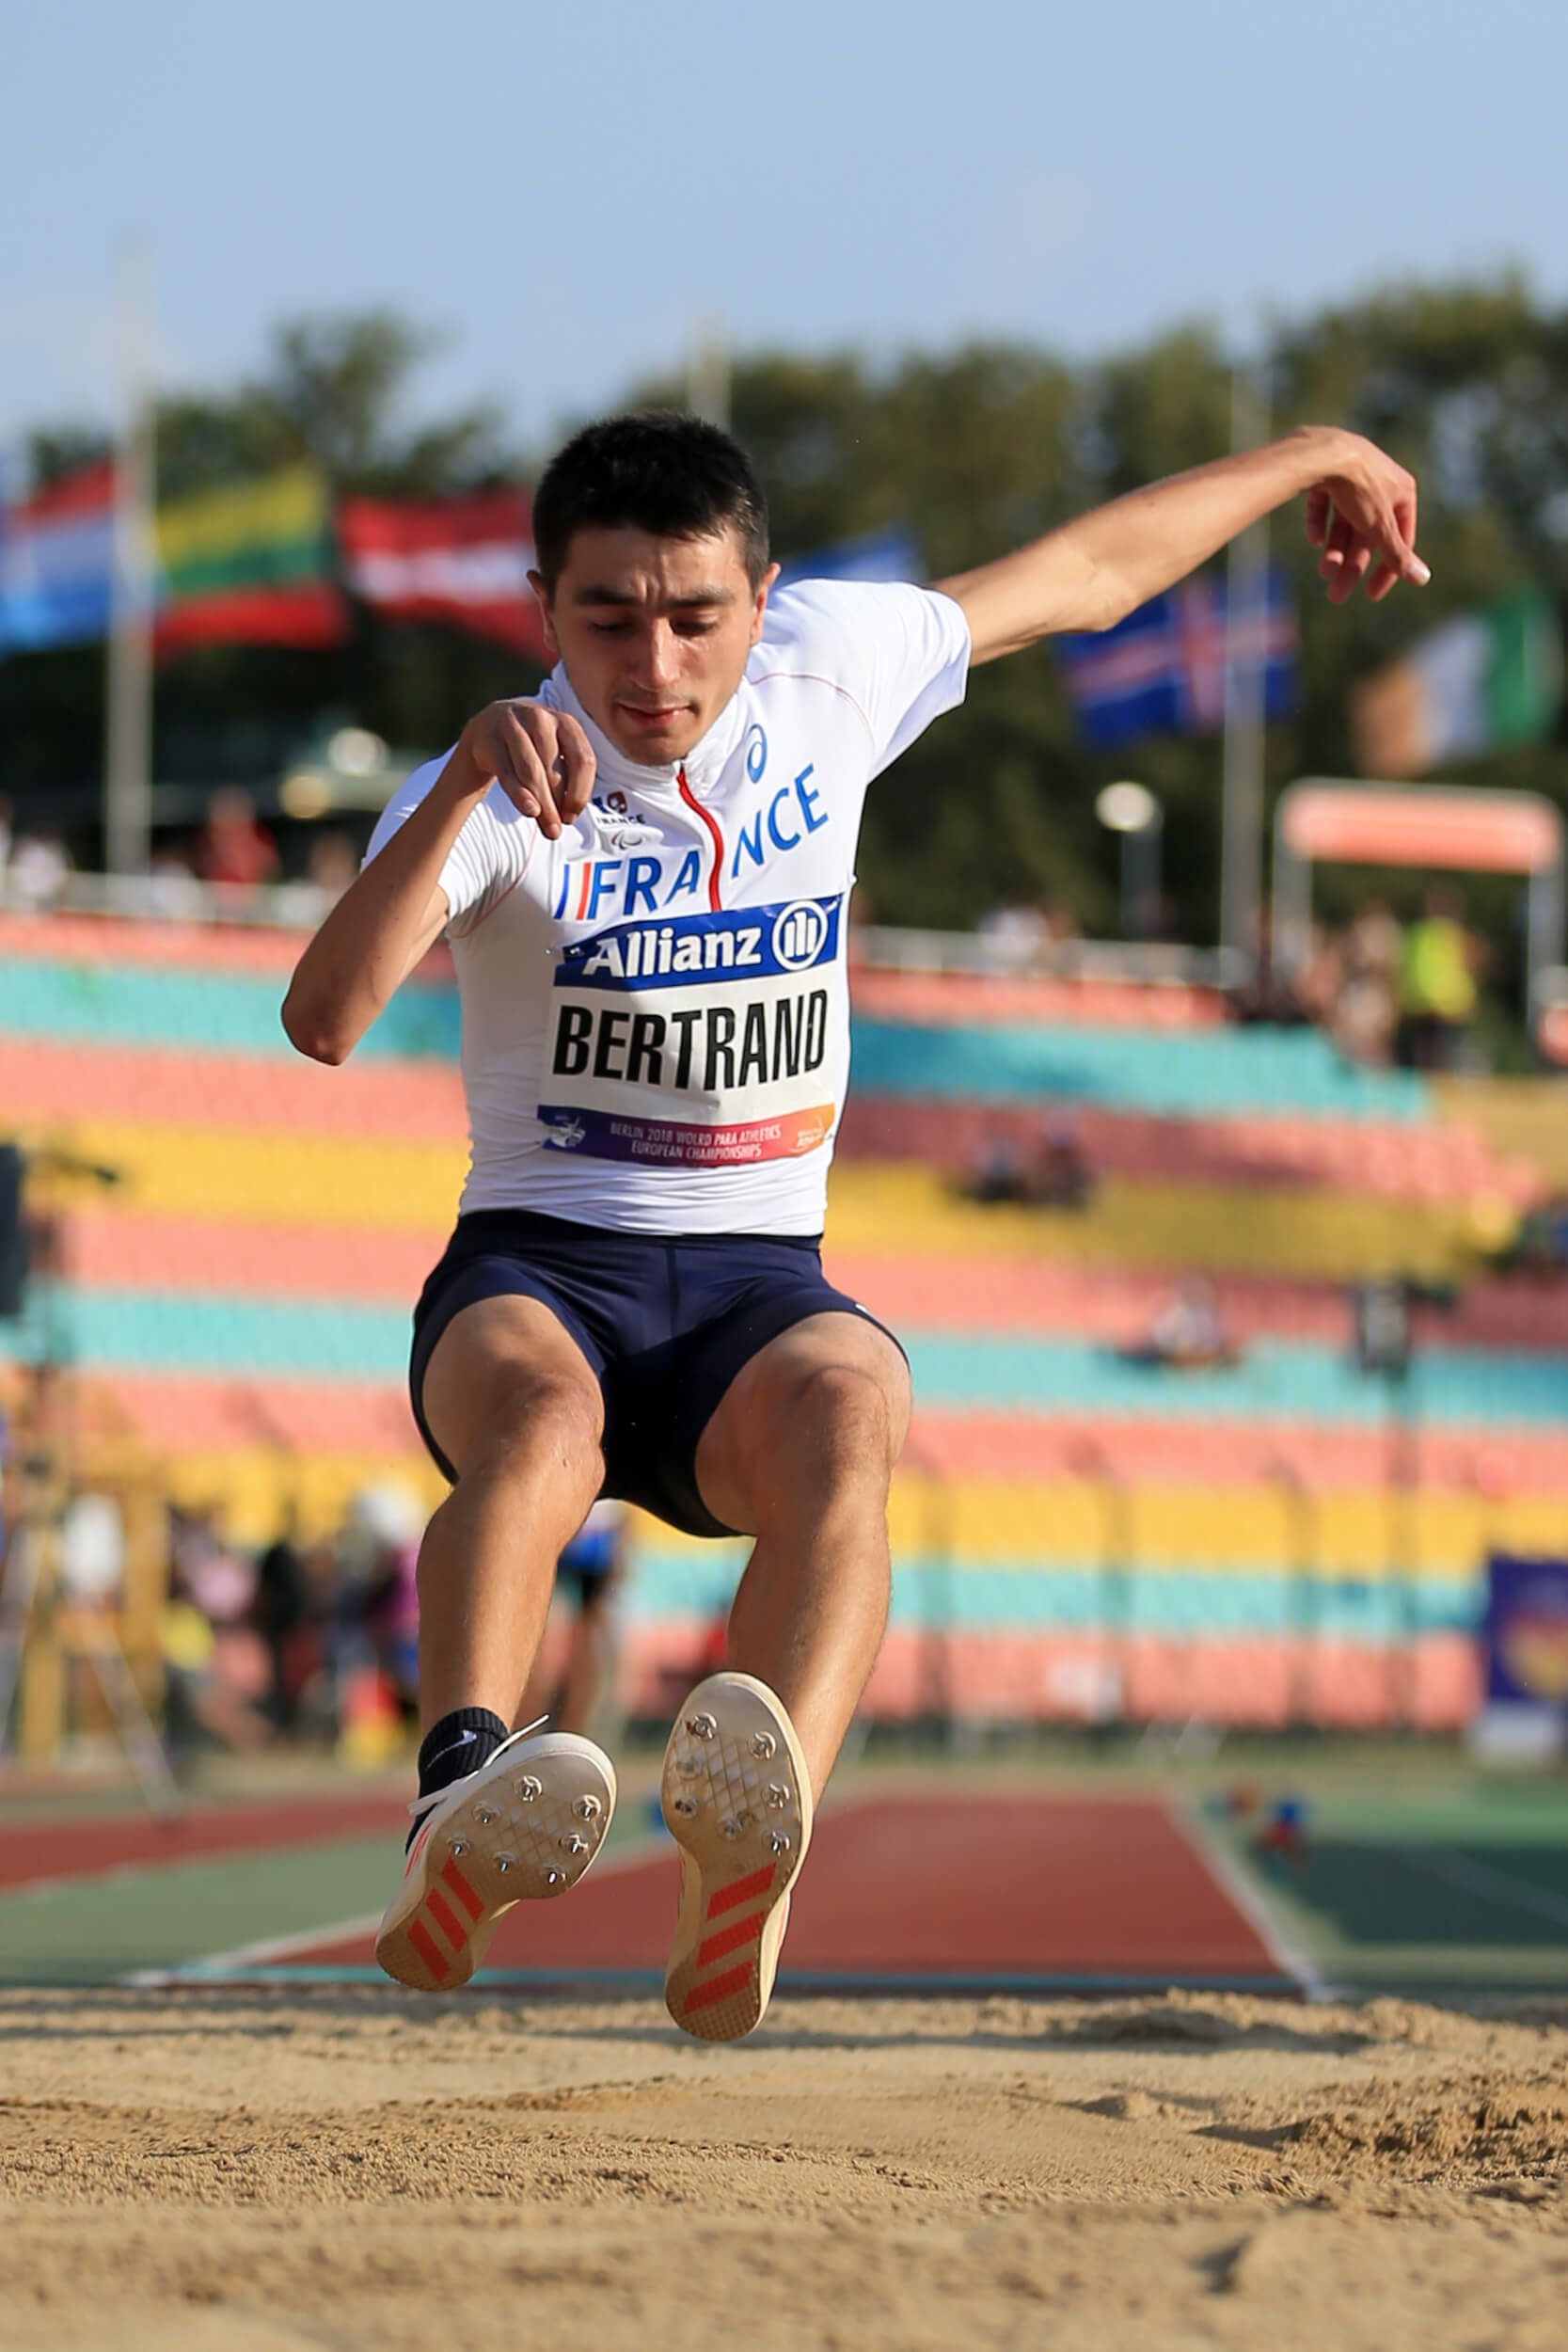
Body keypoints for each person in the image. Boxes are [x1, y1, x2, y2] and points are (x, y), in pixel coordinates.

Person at [282, 408, 1425, 2040]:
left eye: (693, 617)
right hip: (541, 1261)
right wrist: (465, 780)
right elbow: (326, 1017)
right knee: (538, 1424)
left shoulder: (839, 669)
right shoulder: (499, 769)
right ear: (543, 609)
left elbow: (1090, 573)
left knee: (856, 1404)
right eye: (603, 617)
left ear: (764, 597)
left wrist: (1309, 452)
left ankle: (755, 1847)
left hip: (755, 1280)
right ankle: (457, 1790)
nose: (650, 664)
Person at [519, 1498, 627, 1741]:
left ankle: (541, 1738)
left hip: (572, 1519)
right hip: (590, 1522)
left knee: (550, 1641)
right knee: (559, 1642)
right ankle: (557, 1738)